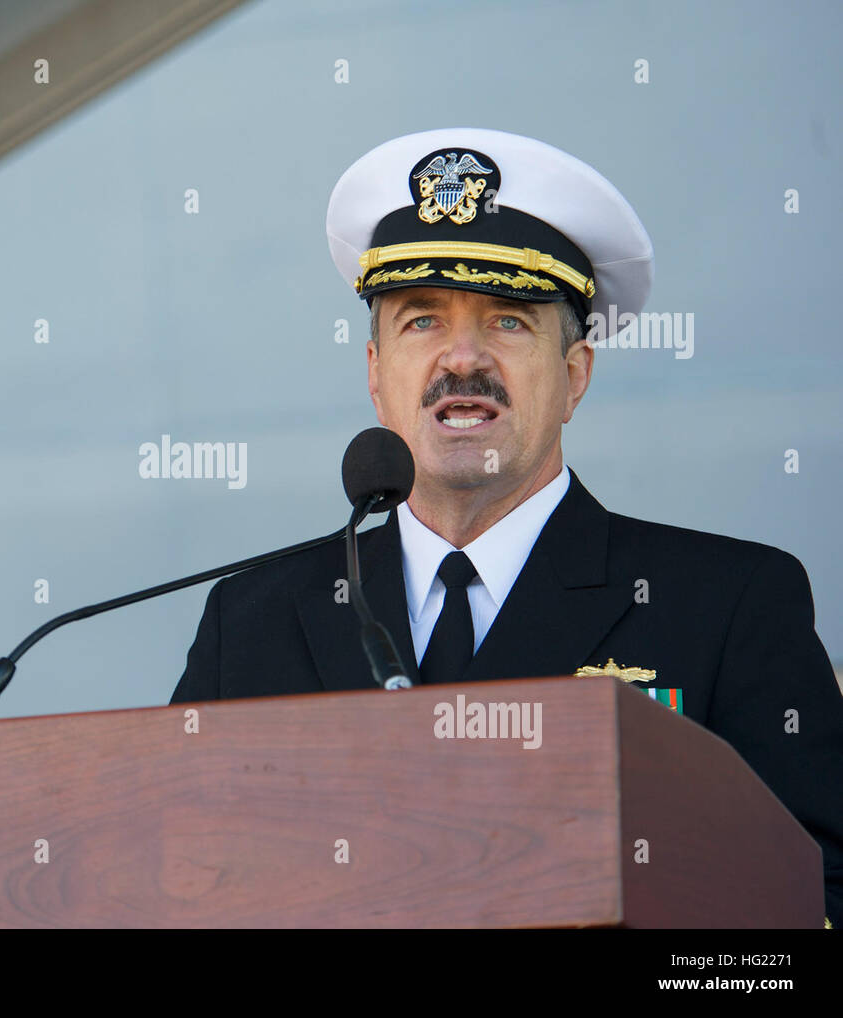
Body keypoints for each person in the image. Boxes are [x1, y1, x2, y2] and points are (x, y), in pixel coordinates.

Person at [169, 128, 843, 925]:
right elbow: (170, 877)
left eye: (508, 321)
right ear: (376, 374)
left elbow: (816, 896)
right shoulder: (250, 621)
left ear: (574, 375)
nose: (461, 358)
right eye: (421, 321)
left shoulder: (727, 604)